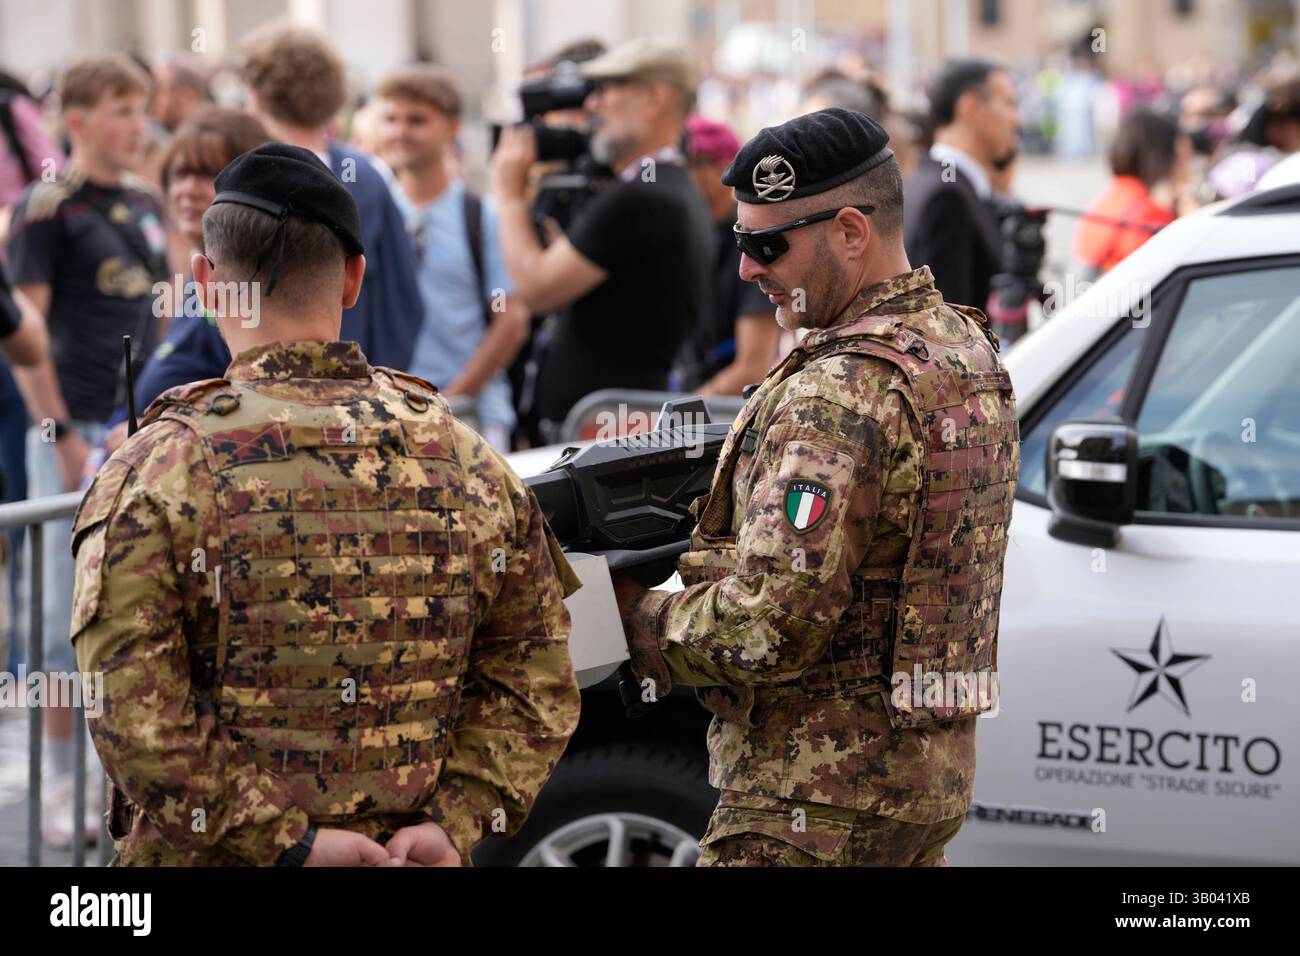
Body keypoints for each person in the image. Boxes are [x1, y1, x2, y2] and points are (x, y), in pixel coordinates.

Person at [69, 142, 582, 866]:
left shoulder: (158, 470)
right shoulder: (469, 460)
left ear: (204, 284)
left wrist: (290, 844)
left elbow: (130, 710)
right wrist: (456, 819)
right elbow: (538, 671)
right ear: (353, 279)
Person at [613, 108, 1020, 867]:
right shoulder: (964, 349)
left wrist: (634, 621)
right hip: (914, 792)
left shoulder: (840, 391)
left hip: (808, 807)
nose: (746, 269)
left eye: (769, 246)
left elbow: (768, 625)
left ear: (851, 231)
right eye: (740, 244)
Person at [6, 54, 167, 848]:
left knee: (131, 613)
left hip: (137, 436)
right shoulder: (47, 210)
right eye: (120, 111)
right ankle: (59, 785)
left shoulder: (144, 203)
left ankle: (121, 775)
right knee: (58, 619)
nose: (137, 126)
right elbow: (24, 339)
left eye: (141, 110)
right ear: (77, 121)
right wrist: (58, 434)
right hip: (70, 435)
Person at [491, 37, 712, 442]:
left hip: (603, 443)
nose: (593, 105)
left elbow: (536, 289)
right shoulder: (665, 186)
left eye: (607, 89)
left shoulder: (642, 196)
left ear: (653, 99)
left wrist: (507, 195)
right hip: (610, 435)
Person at [239, 22, 422, 371]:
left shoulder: (244, 177)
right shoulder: (367, 176)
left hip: (258, 398)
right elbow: (403, 303)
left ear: (259, 94)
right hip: (353, 393)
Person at [375, 65, 530, 451]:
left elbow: (510, 321)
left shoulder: (483, 215)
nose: (400, 132)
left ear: (452, 127)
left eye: (417, 120)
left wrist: (450, 399)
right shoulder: (373, 212)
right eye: (391, 119)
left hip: (471, 419)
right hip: (387, 418)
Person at [99, 106, 270, 453]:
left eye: (208, 173)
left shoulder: (250, 289)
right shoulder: (189, 278)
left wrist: (156, 430)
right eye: (179, 174)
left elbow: (263, 407)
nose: (188, 190)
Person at [903, 58, 1021, 310]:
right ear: (971, 106)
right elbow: (950, 331)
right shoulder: (947, 196)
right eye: (1009, 103)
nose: (1017, 120)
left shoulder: (932, 181)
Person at [676, 115, 777, 395]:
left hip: (724, 422)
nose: (680, 177)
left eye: (690, 164)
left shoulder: (750, 241)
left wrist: (676, 417)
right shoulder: (695, 232)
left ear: (721, 167)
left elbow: (753, 367)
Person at [1074, 108, 1191, 277]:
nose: (1186, 166)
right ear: (1162, 156)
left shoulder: (1111, 199)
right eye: (1182, 157)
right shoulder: (1147, 216)